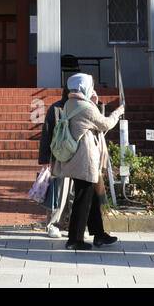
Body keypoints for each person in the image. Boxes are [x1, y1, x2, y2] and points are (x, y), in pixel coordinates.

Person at [50, 72, 123, 251]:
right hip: (85, 159)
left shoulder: (70, 103)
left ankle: (99, 234)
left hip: (75, 158)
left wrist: (92, 100)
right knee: (84, 198)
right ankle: (75, 239)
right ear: (84, 87)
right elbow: (105, 124)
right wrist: (117, 113)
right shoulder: (86, 107)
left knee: (90, 197)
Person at [37, 85, 71, 238]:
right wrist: (45, 159)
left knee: (73, 193)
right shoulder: (56, 109)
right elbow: (46, 134)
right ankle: (52, 224)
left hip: (78, 159)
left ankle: (72, 225)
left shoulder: (85, 107)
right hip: (59, 158)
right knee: (57, 192)